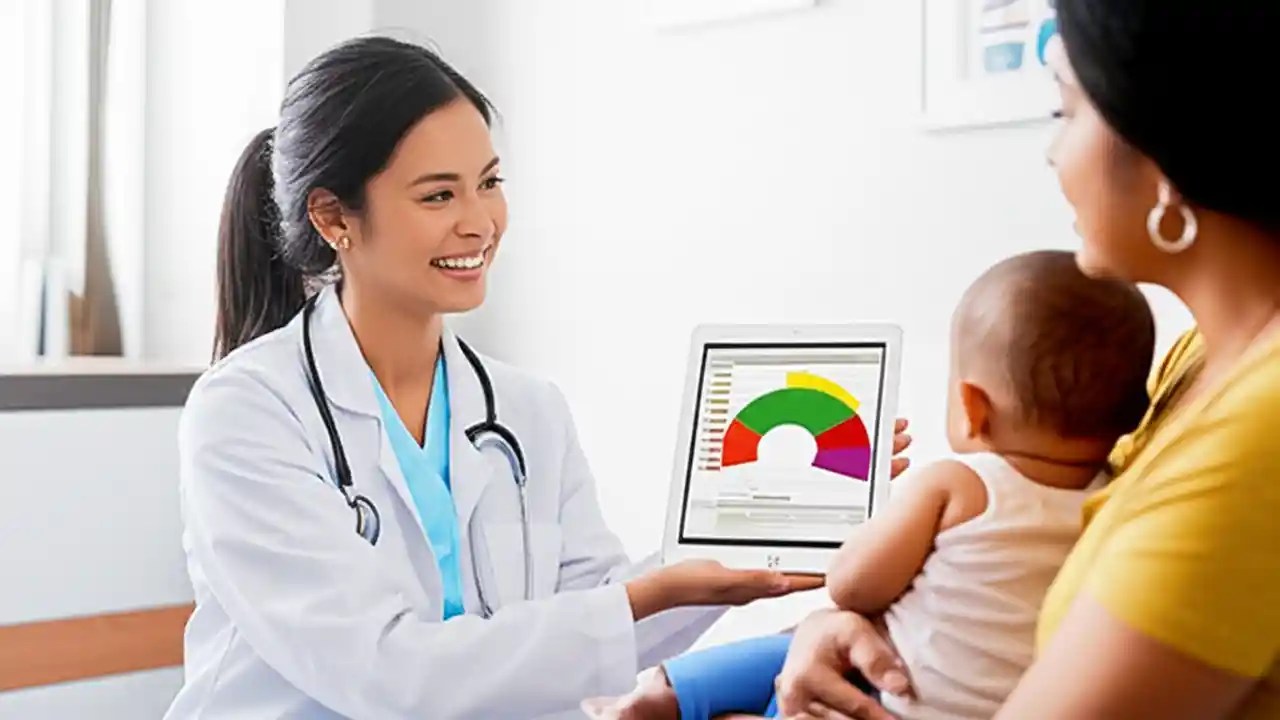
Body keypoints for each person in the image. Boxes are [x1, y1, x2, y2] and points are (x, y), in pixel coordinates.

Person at [166, 36, 914, 720]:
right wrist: (657, 591)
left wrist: (755, 540)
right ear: (334, 218)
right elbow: (385, 672)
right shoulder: (247, 412)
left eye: (489, 182)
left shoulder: (527, 411)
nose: (480, 221)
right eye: (438, 195)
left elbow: (594, 621)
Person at [773, 2, 1280, 718]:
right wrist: (831, 627)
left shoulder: (1260, 431)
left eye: (1064, 111)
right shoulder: (1199, 360)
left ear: (1159, 143)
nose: (1051, 153)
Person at [583, 250, 1157, 720]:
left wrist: (869, 525)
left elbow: (853, 588)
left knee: (793, 643)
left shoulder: (958, 485)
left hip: (889, 692)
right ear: (1137, 413)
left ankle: (660, 698)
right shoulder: (1120, 500)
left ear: (972, 407)